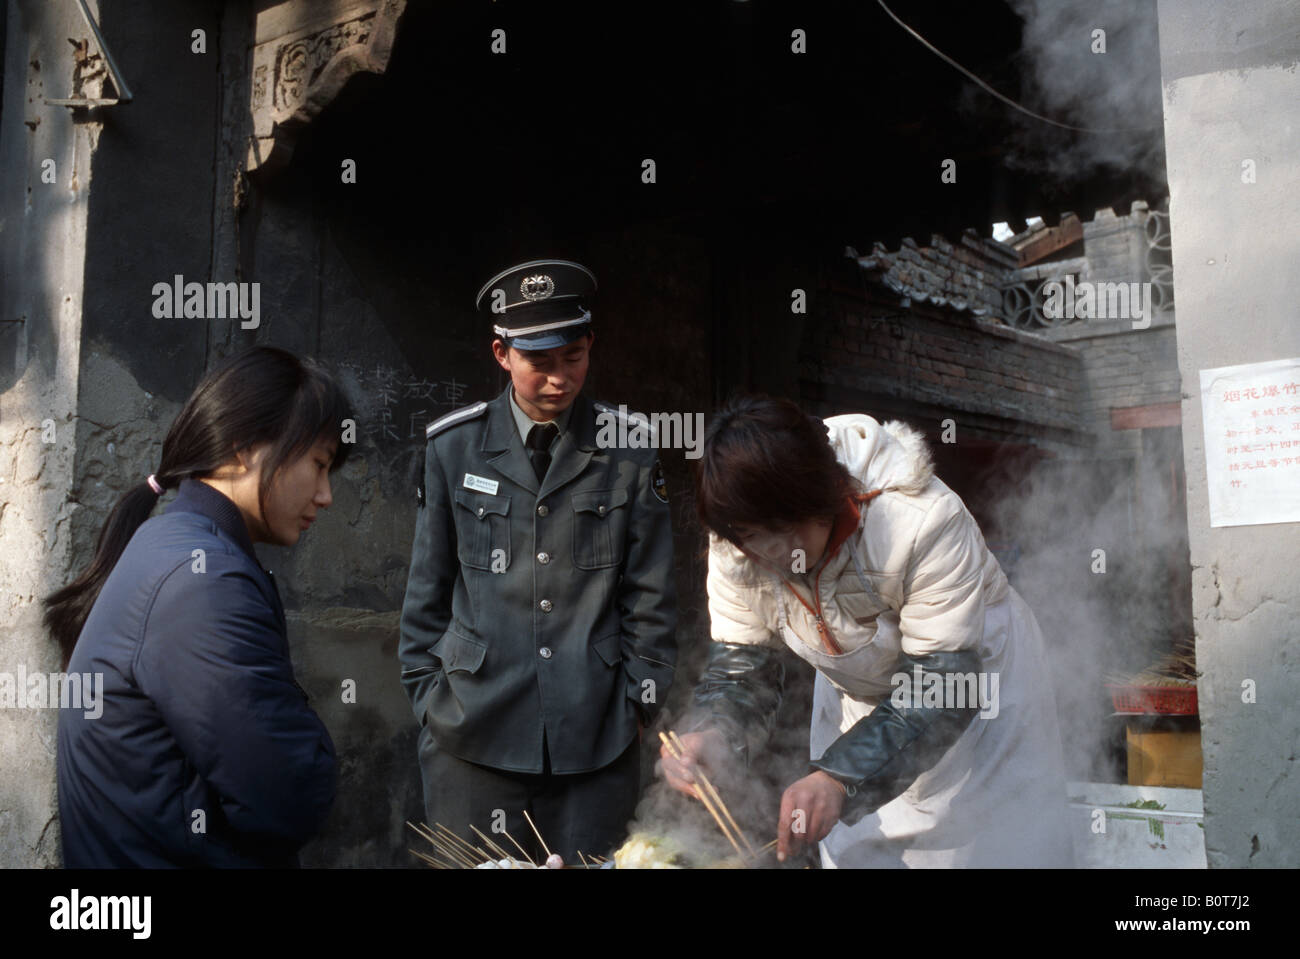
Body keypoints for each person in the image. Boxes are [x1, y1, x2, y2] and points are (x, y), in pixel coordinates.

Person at [659, 395, 1073, 867]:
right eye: (750, 538)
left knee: (998, 848)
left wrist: (839, 776)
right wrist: (714, 731)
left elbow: (944, 684)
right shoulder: (739, 536)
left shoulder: (920, 518)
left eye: (780, 533)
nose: (768, 556)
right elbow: (741, 669)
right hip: (861, 696)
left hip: (974, 684)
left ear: (824, 500)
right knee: (860, 853)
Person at [399, 258, 677, 861]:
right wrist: (429, 702)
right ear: (502, 355)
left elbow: (652, 597)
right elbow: (427, 589)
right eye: (539, 362)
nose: (560, 379)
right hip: (471, 735)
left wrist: (638, 706)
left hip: (596, 740)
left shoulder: (628, 450)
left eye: (573, 357)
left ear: (590, 346)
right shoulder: (454, 448)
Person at [44, 346, 350, 867]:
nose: (325, 495)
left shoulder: (181, 548)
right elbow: (287, 797)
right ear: (242, 449)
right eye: (318, 464)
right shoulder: (200, 581)